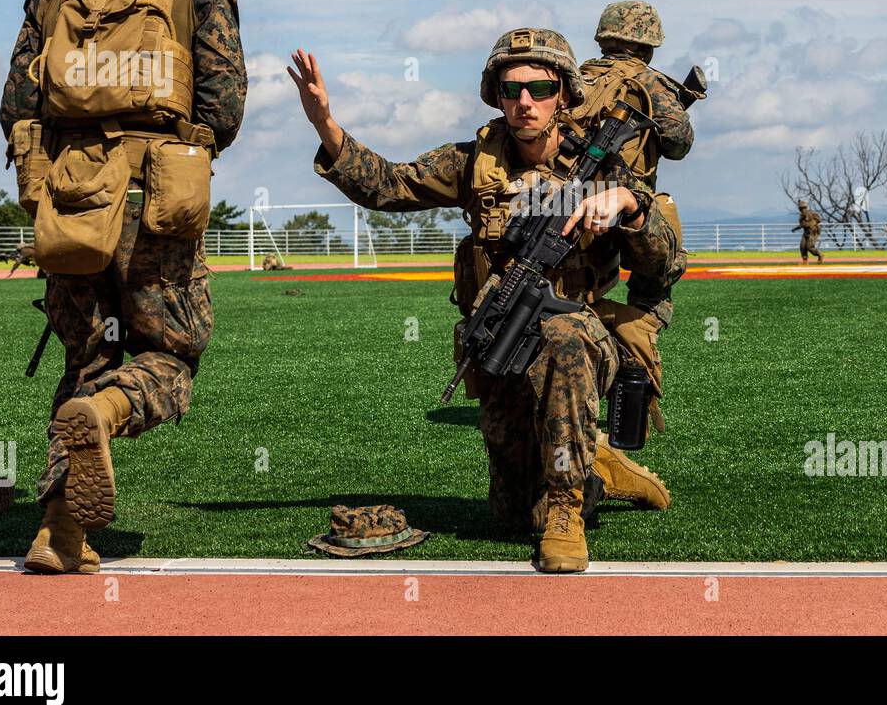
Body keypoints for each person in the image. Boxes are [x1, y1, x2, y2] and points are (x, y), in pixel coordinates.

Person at [290, 29, 679, 573]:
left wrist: (632, 207)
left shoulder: (603, 168)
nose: (525, 101)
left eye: (540, 88)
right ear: (495, 94)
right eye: (510, 88)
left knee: (563, 340)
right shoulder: (474, 163)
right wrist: (326, 126)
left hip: (581, 341)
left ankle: (569, 506)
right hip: (503, 346)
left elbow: (666, 264)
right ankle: (597, 465)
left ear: (564, 93)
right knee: (514, 514)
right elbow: (389, 185)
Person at [0, 0, 247, 575]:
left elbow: (17, 103)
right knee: (170, 355)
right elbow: (223, 110)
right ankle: (105, 417)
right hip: (153, 205)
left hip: (71, 203)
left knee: (87, 355)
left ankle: (57, 532)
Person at [576, 0, 701, 434]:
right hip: (628, 207)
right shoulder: (650, 82)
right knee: (659, 275)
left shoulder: (573, 77)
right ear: (649, 45)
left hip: (569, 205)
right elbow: (679, 143)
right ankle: (636, 371)